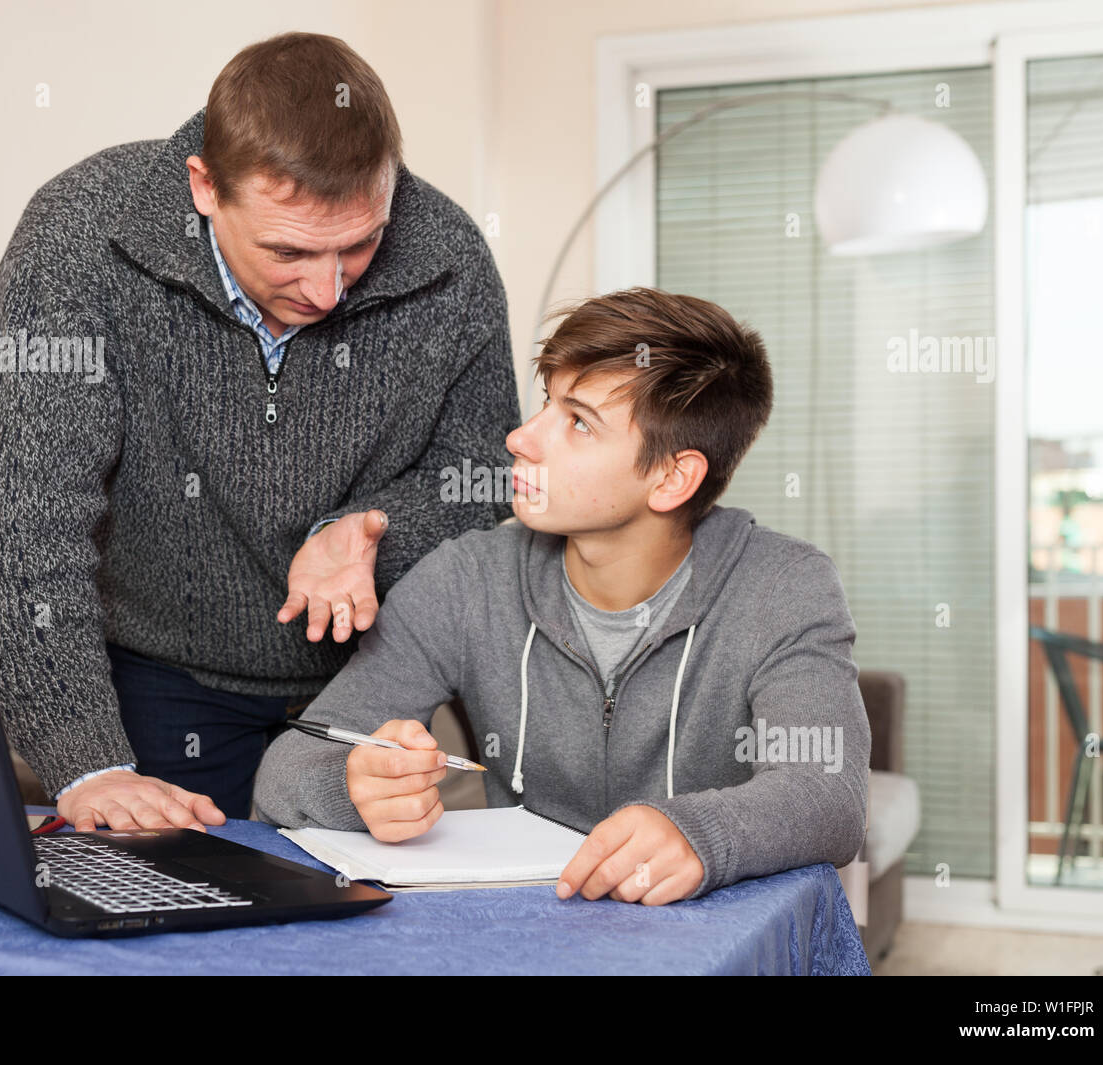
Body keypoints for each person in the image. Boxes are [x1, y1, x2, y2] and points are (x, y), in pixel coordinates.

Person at [0, 32, 520, 832]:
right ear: (203, 186)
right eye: (288, 250)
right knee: (177, 924)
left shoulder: (451, 255)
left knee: (357, 931)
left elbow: (485, 471)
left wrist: (370, 532)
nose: (327, 291)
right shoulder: (77, 238)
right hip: (160, 681)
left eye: (359, 245)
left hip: (366, 680)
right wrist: (85, 760)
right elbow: (23, 525)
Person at [253, 286, 870, 905]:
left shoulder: (785, 586)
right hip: (532, 929)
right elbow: (287, 769)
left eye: (578, 422)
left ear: (672, 477)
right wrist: (357, 785)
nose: (522, 438)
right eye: (546, 402)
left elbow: (828, 792)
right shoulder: (467, 579)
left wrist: (698, 833)